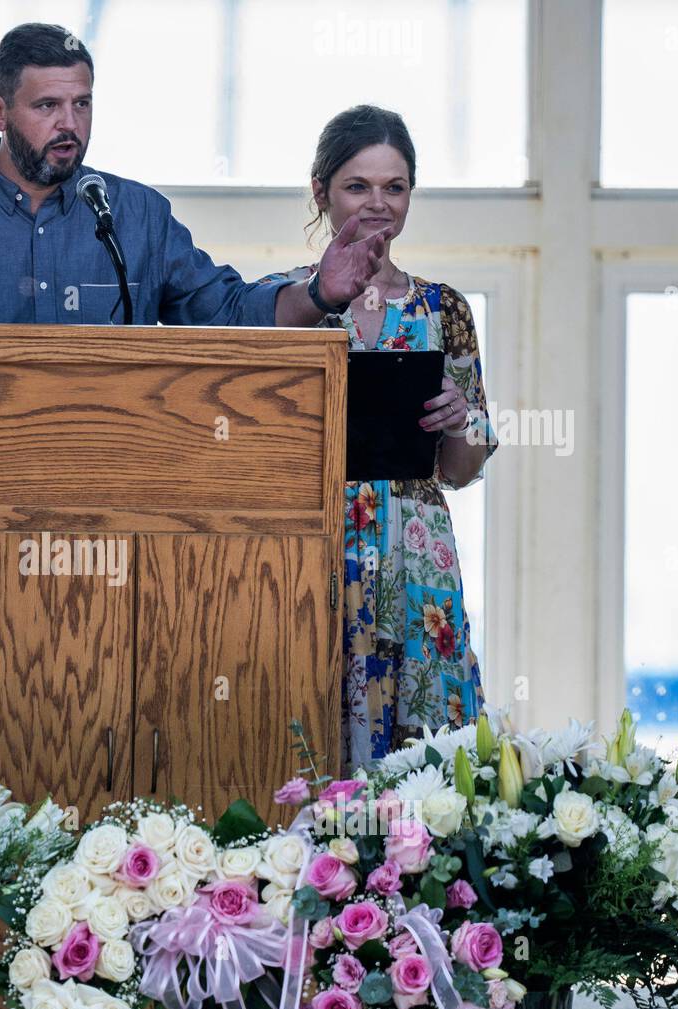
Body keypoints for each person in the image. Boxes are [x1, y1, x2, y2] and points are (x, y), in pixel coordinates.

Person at [0, 23, 387, 372]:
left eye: (82, 104)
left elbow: (223, 311)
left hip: (118, 510)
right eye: (48, 105)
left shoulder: (134, 217)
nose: (70, 125)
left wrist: (320, 294)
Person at [259, 105, 500, 770]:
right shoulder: (284, 305)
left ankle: (415, 871)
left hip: (413, 555)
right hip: (310, 547)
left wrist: (460, 419)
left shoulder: (443, 307)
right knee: (303, 726)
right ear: (321, 192)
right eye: (358, 186)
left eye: (394, 187)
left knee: (424, 765)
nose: (378, 203)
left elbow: (460, 468)